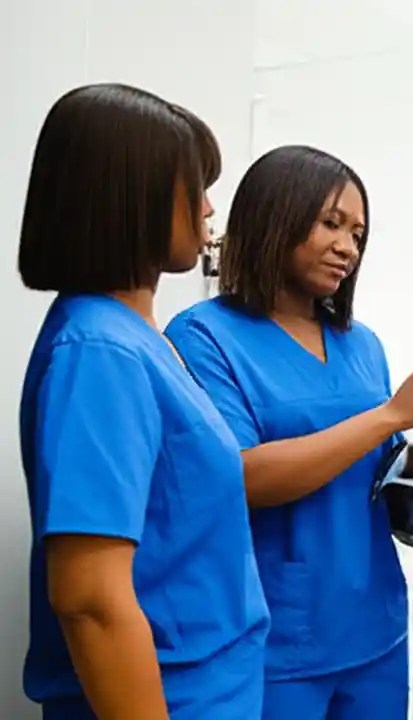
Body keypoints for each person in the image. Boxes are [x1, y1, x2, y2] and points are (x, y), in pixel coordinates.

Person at [164, 144, 413, 718]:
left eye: (358, 233)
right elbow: (241, 476)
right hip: (274, 640)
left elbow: (380, 464)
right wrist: (390, 414)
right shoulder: (204, 335)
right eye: (331, 224)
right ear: (273, 215)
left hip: (373, 626)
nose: (348, 247)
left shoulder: (361, 344)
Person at [17, 83, 269, 719]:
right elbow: (90, 599)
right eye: (196, 185)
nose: (211, 208)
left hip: (212, 685)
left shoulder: (136, 338)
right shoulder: (101, 351)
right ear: (132, 194)